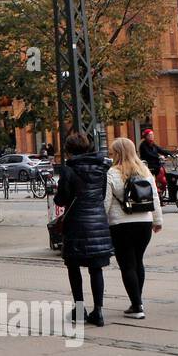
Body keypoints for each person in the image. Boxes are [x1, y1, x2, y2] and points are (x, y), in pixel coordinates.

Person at [53, 131, 113, 326]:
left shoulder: (68, 170)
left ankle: (80, 310)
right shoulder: (101, 168)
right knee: (96, 269)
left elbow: (61, 199)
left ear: (69, 150)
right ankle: (99, 311)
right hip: (97, 222)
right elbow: (102, 194)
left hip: (76, 224)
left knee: (73, 267)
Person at [104, 137, 162, 320]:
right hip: (144, 224)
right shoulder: (145, 171)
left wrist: (101, 222)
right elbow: (155, 198)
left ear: (117, 153)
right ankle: (138, 300)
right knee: (138, 261)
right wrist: (157, 220)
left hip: (121, 225)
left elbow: (106, 202)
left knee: (127, 265)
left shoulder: (112, 173)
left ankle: (136, 306)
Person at [138, 128, 173, 195]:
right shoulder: (143, 145)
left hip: (156, 165)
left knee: (164, 180)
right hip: (149, 166)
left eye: (152, 135)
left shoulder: (153, 144)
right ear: (146, 136)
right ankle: (156, 192)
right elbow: (149, 153)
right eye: (150, 135)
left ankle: (161, 193)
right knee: (154, 180)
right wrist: (158, 156)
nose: (152, 136)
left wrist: (171, 154)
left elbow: (161, 150)